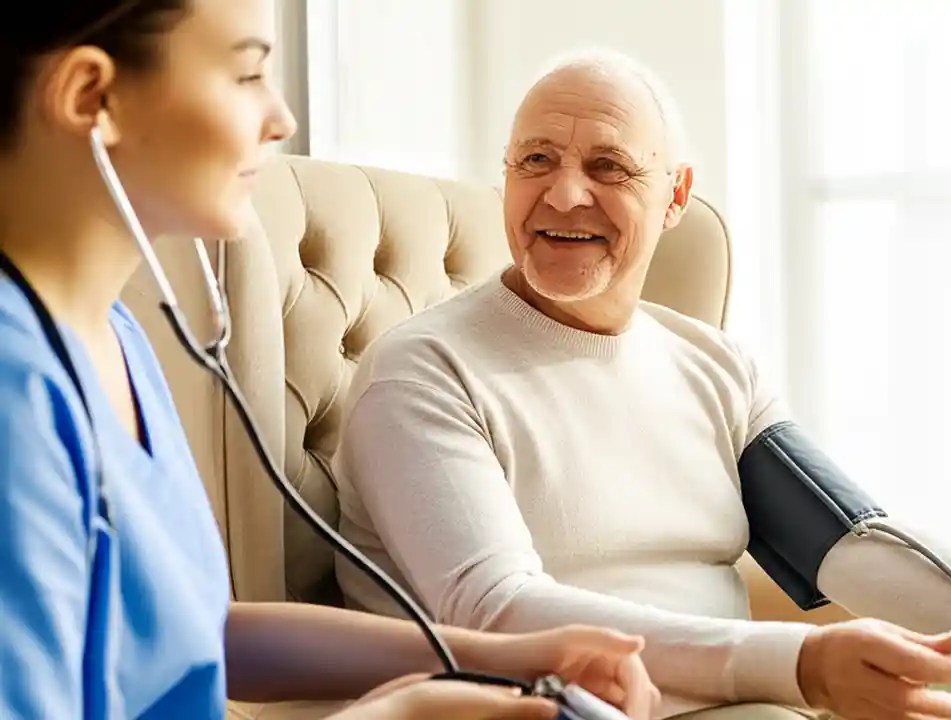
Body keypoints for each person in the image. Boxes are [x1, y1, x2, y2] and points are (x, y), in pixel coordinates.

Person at [332, 50, 951, 720]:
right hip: (580, 705)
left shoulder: (714, 365)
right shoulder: (424, 370)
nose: (564, 195)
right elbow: (496, 609)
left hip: (758, 693)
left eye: (608, 167)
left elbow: (851, 544)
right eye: (534, 161)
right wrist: (798, 664)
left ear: (675, 196)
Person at [0, 3, 661, 719]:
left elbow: (198, 637)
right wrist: (394, 716)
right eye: (248, 73)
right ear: (91, 98)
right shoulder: (14, 389)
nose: (280, 118)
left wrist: (499, 656)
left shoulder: (114, 334)